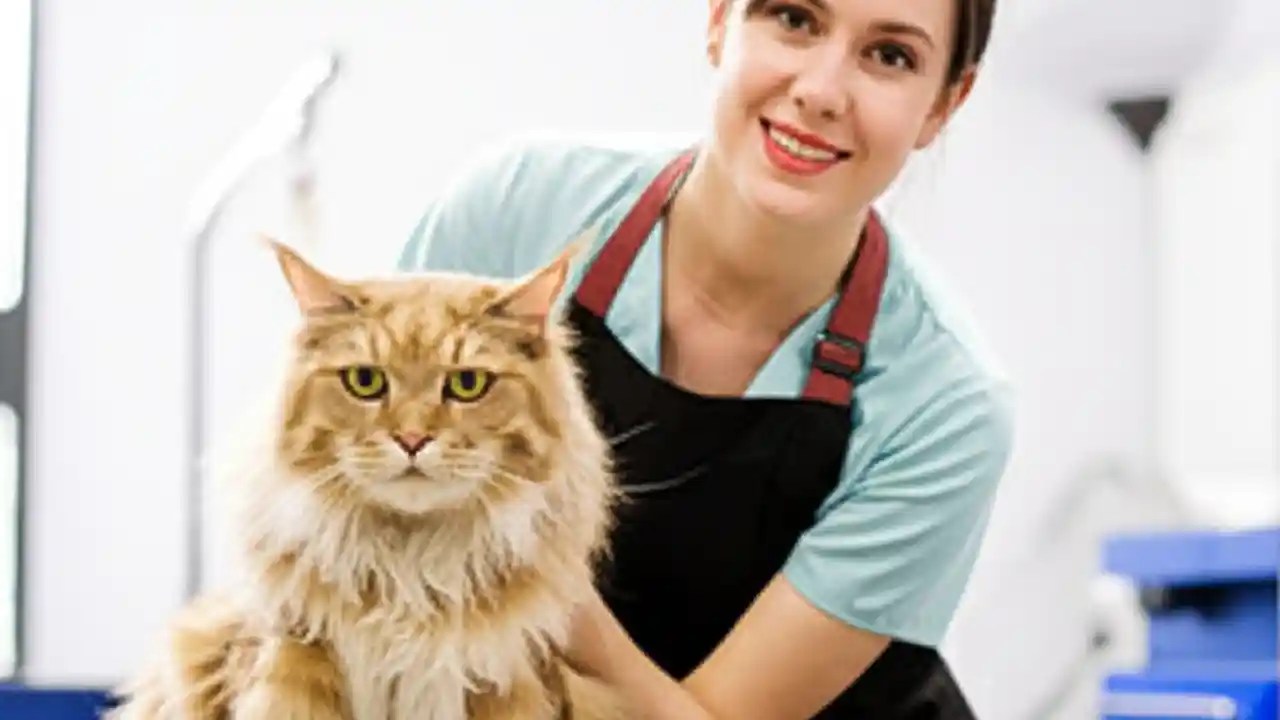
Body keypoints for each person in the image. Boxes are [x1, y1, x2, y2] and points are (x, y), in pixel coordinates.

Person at [398, 0, 1011, 717]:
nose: (820, 90)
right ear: (720, 20)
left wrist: (530, 577)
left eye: (890, 56)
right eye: (794, 18)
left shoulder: (944, 403)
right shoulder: (515, 220)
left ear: (944, 104)